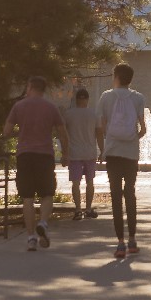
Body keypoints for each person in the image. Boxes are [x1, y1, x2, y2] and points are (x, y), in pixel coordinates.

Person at [3, 75, 65, 251]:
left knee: (27, 198)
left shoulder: (19, 106)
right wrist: (66, 153)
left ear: (29, 87)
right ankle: (43, 223)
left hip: (25, 155)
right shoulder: (51, 107)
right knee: (47, 194)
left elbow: (6, 131)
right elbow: (62, 132)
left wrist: (21, 132)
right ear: (43, 89)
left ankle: (31, 238)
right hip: (45, 155)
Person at [94, 62, 147, 259]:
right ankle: (132, 240)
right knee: (130, 194)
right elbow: (143, 129)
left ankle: (120, 244)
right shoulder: (138, 98)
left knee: (116, 196)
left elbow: (100, 127)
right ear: (130, 79)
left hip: (113, 153)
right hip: (131, 154)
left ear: (116, 77)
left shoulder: (106, 97)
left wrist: (104, 148)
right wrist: (132, 139)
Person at [62, 83, 100, 220]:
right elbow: (99, 133)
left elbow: (63, 135)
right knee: (90, 181)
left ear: (76, 99)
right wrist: (102, 150)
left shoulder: (68, 115)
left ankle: (78, 209)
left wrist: (64, 153)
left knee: (76, 182)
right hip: (89, 152)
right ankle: (88, 209)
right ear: (87, 99)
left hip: (74, 153)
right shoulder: (94, 114)